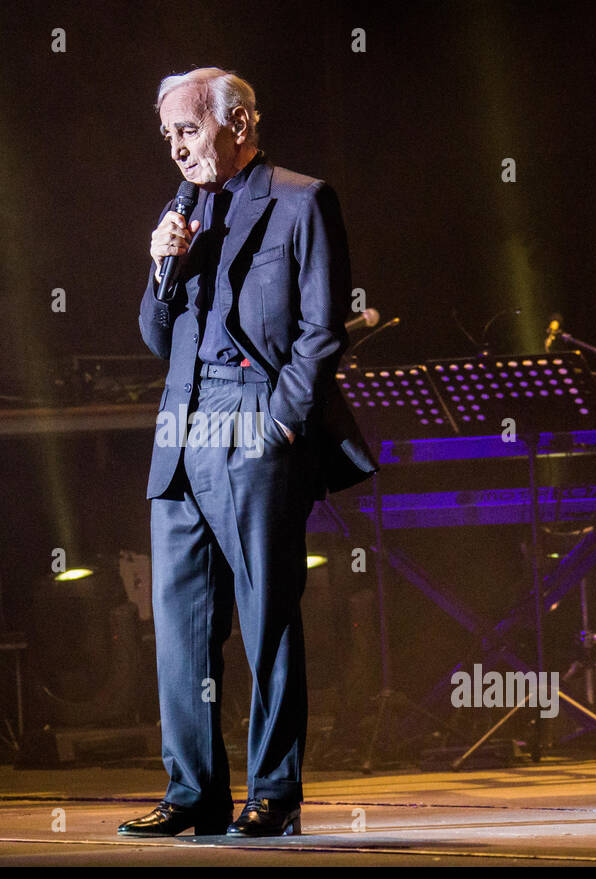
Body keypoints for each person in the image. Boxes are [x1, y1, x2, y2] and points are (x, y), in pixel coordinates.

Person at [117, 68, 376, 838]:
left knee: (266, 616)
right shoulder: (182, 210)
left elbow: (321, 329)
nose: (176, 148)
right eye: (167, 136)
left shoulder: (301, 200)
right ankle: (193, 791)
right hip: (181, 429)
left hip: (254, 424)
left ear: (236, 123)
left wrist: (283, 425)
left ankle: (275, 790)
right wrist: (161, 267)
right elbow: (157, 339)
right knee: (181, 626)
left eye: (187, 130)